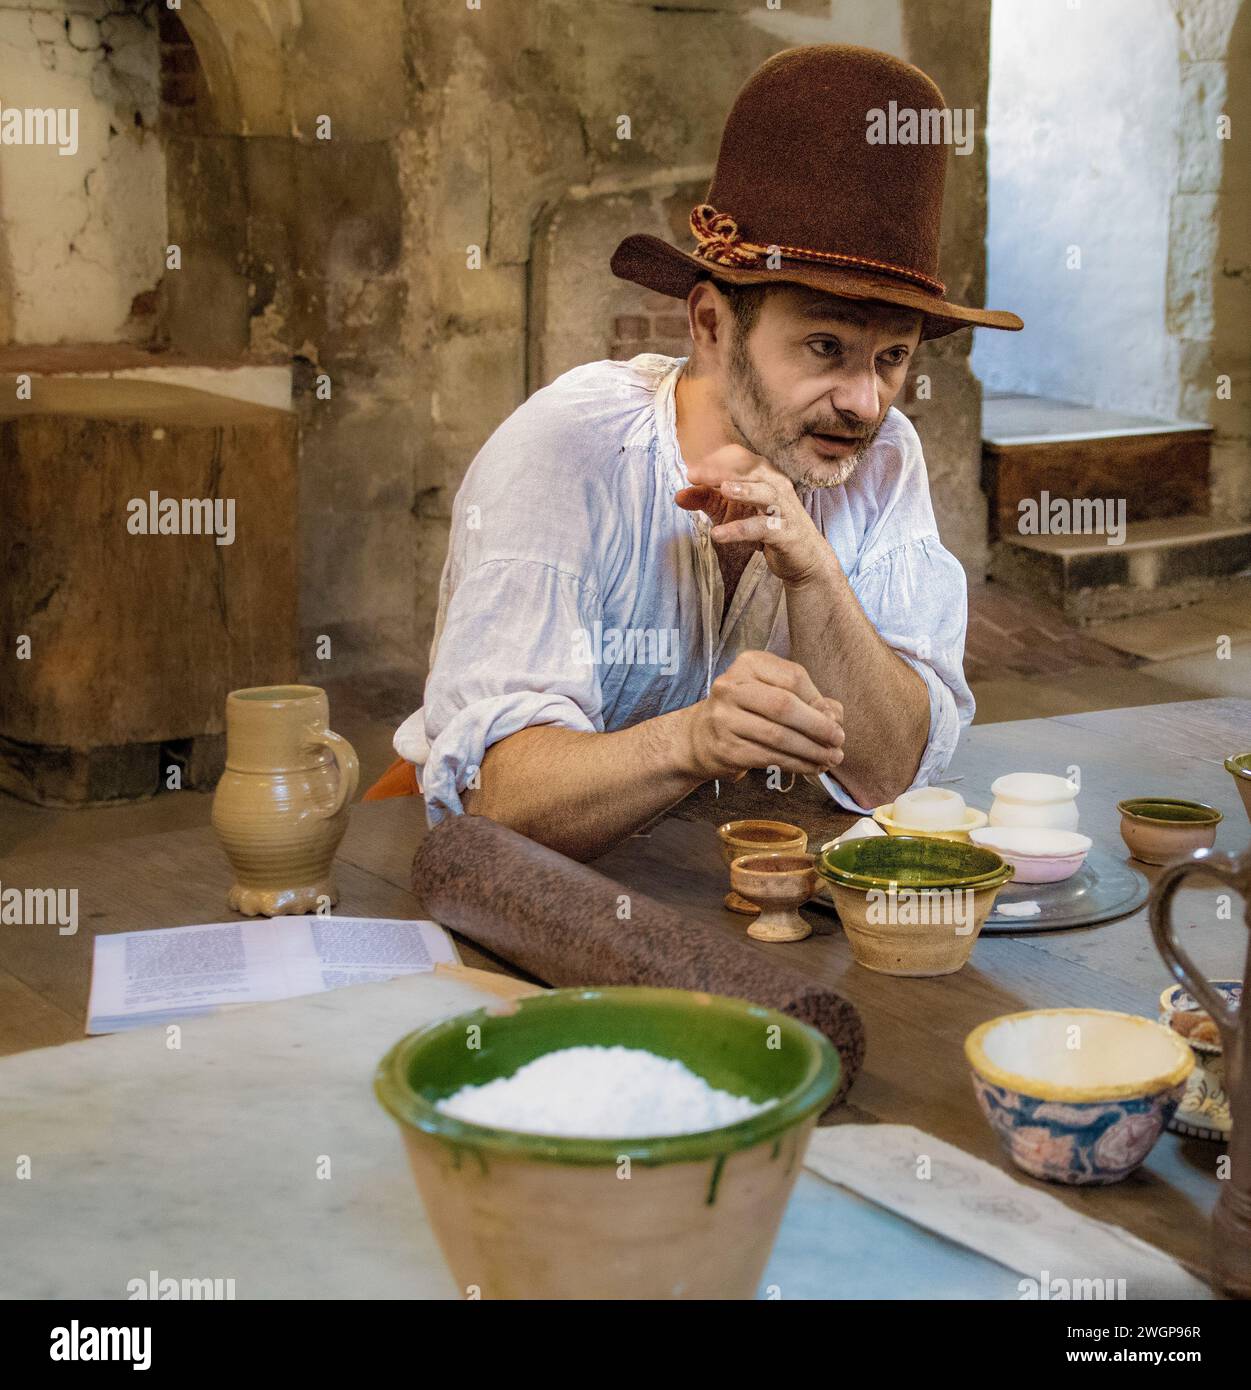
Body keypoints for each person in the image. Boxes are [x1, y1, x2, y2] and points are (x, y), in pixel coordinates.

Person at [373, 43, 1022, 860]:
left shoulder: (883, 454)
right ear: (712, 325)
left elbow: (889, 774)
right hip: (466, 878)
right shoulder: (568, 449)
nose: (865, 401)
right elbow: (499, 801)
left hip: (695, 873)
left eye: (891, 357)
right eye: (825, 347)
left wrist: (812, 572)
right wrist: (690, 741)